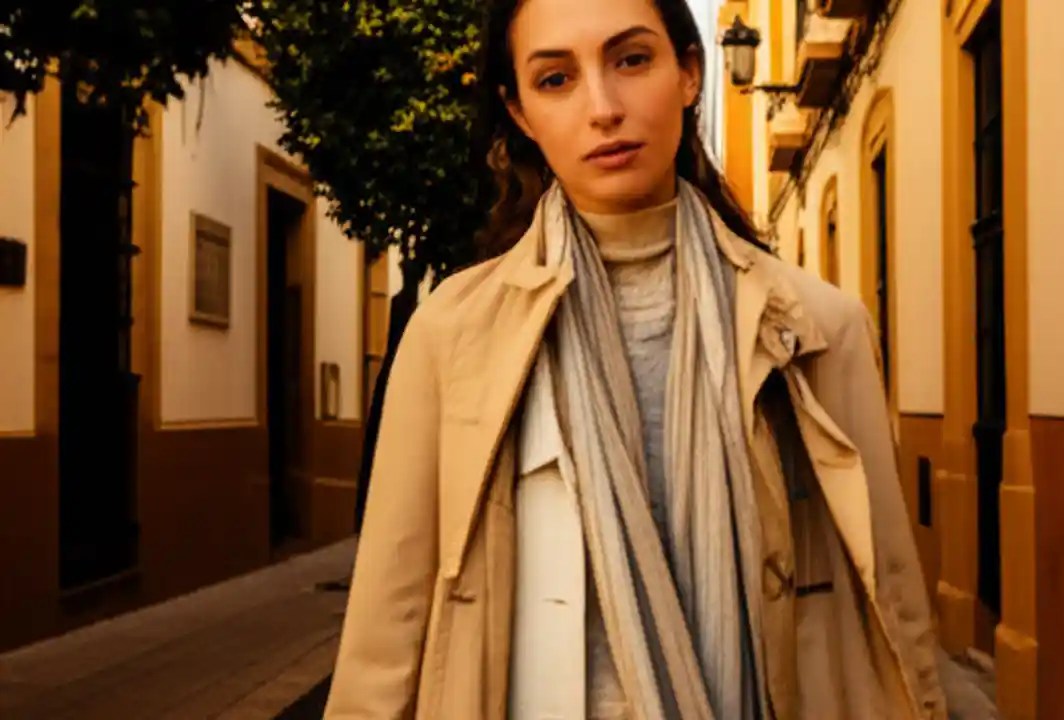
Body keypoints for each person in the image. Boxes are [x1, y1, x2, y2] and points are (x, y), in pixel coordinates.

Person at [324, 0, 964, 717]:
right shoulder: (454, 334)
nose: (603, 108)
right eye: (556, 79)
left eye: (631, 60)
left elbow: (890, 604)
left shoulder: (818, 330)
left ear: (688, 73)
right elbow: (388, 626)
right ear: (520, 112)